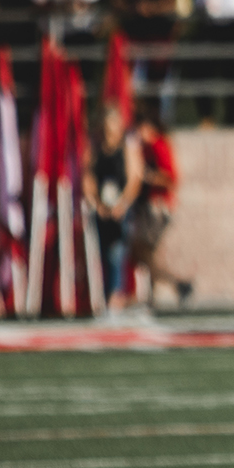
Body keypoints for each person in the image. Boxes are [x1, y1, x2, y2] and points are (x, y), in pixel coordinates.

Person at [83, 104, 142, 313]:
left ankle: (116, 294)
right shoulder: (96, 148)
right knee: (101, 252)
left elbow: (135, 177)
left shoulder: (127, 147)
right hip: (101, 208)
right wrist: (96, 203)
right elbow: (87, 176)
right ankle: (106, 293)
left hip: (120, 208)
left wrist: (122, 205)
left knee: (117, 251)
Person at [131, 112, 191, 306]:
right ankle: (155, 296)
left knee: (143, 251)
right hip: (152, 207)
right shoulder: (147, 147)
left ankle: (178, 284)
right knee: (147, 255)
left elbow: (171, 179)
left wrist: (146, 176)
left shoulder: (158, 145)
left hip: (159, 207)